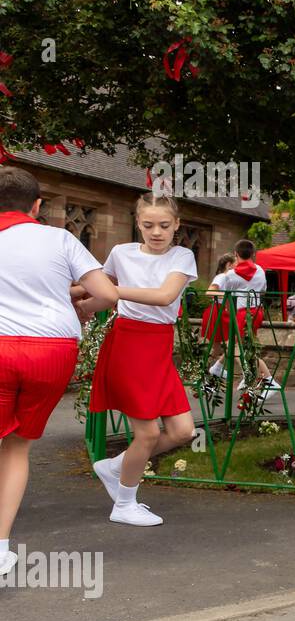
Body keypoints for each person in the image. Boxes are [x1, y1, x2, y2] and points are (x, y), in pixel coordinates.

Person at [0, 167, 118, 575]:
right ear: (36, 205)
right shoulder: (60, 238)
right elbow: (106, 294)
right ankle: (0, 549)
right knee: (16, 446)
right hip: (51, 350)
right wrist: (81, 308)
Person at [87, 193, 200, 527]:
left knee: (183, 431)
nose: (156, 231)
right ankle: (124, 503)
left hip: (159, 345)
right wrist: (76, 302)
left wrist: (113, 293)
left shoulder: (183, 256)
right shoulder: (121, 253)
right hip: (129, 344)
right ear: (137, 222)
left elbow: (165, 296)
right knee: (148, 434)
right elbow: (97, 291)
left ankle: (115, 466)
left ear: (177, 225)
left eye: (164, 225)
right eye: (148, 224)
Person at [210, 240, 281, 394]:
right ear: (253, 254)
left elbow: (224, 294)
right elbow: (263, 290)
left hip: (243, 312)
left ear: (236, 254)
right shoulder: (261, 270)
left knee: (242, 348)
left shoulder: (231, 275)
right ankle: (218, 367)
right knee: (240, 344)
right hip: (257, 311)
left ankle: (268, 379)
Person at [200, 252, 235, 351]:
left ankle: (215, 366)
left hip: (222, 309)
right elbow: (210, 292)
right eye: (236, 264)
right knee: (229, 344)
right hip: (219, 310)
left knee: (218, 346)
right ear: (229, 265)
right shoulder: (222, 277)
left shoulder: (228, 278)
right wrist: (228, 296)